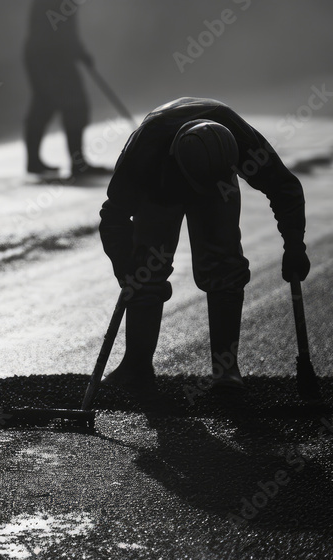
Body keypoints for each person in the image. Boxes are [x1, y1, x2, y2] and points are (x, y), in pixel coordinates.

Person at [98, 98, 310, 398]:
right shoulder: (146, 149)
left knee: (224, 266)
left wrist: (294, 246)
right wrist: (126, 268)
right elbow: (113, 216)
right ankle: (136, 366)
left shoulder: (241, 139)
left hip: (218, 189)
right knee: (147, 267)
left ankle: (226, 371)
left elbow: (285, 189)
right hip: (160, 186)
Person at [23, 0, 110, 176]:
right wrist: (79, 51)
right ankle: (77, 163)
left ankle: (34, 161)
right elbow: (61, 32)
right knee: (73, 106)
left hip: (42, 56)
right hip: (52, 59)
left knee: (44, 105)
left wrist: (79, 51)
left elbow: (62, 30)